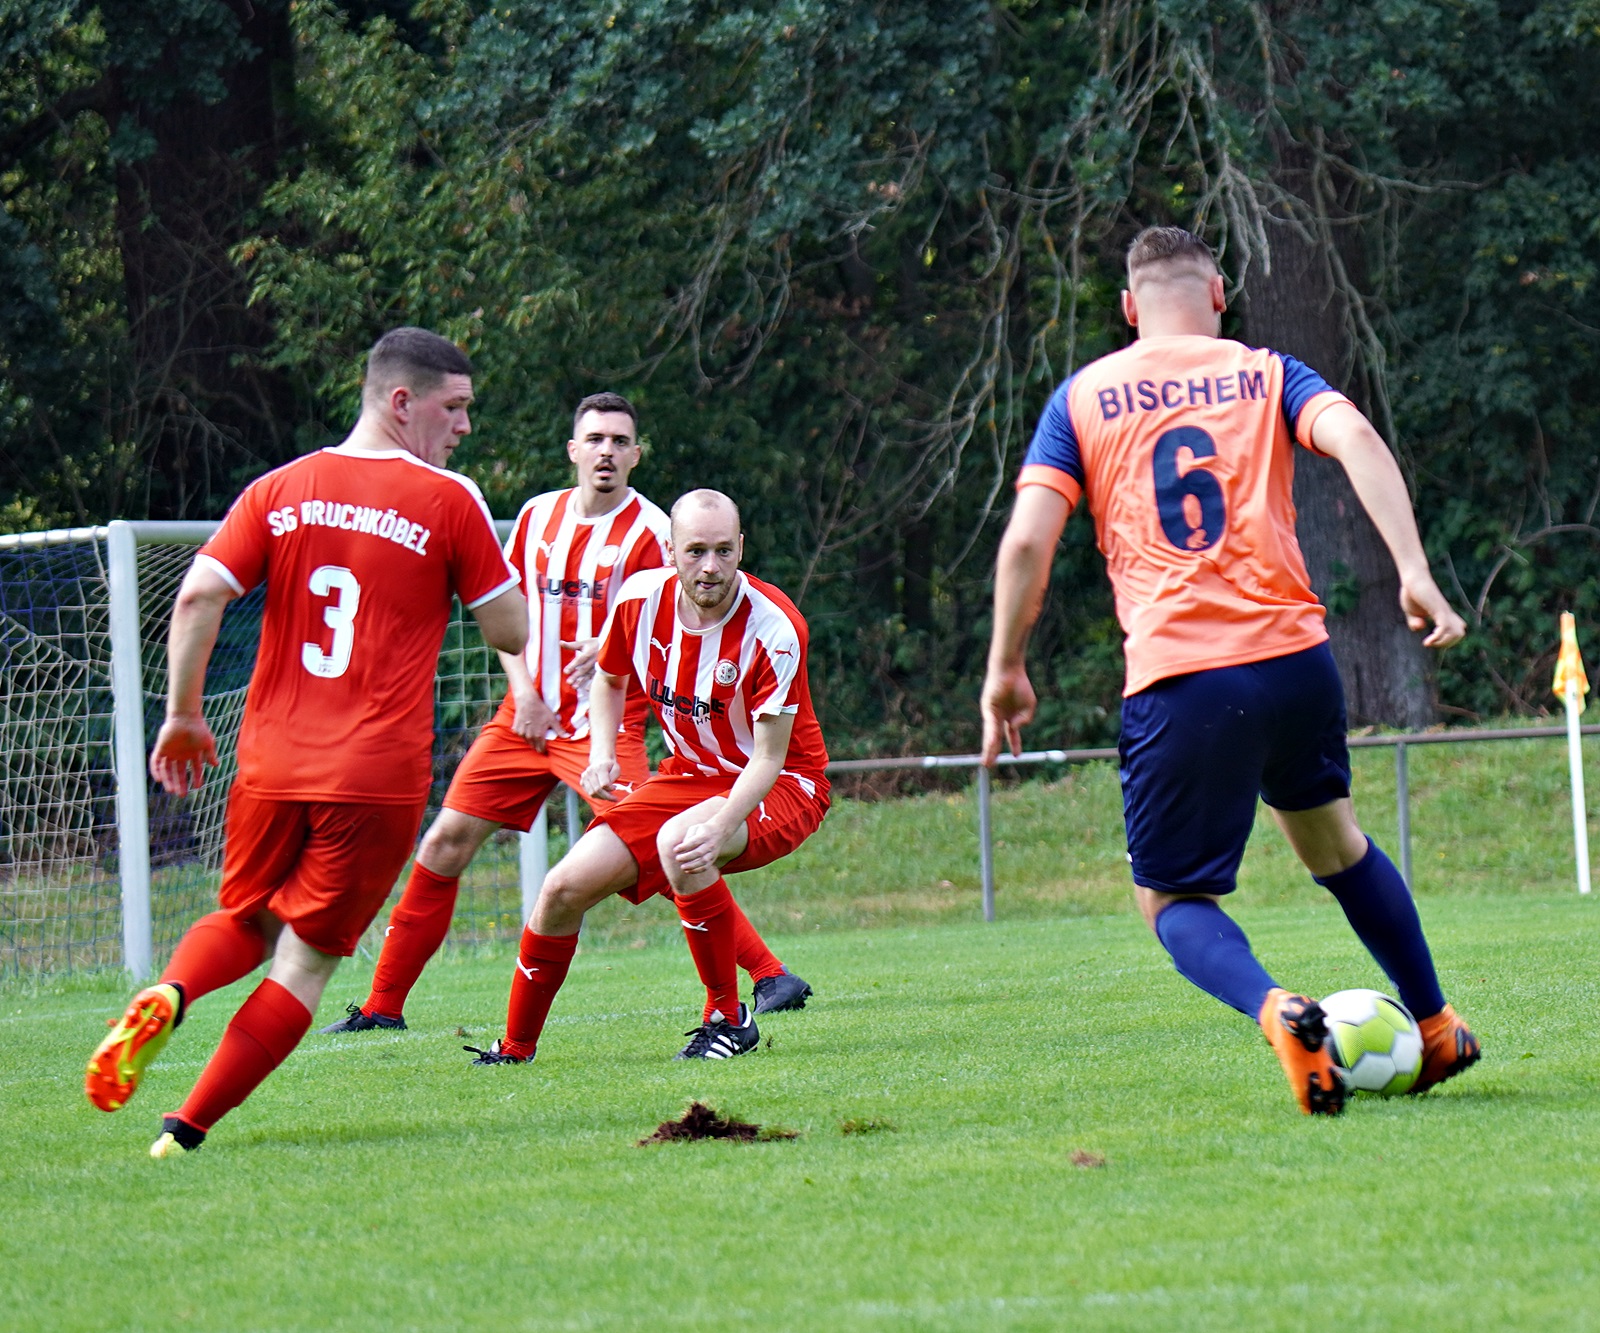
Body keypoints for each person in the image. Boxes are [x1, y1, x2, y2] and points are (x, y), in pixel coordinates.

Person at [980, 226, 1481, 1116]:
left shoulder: (1084, 395)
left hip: (1184, 679)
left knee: (1168, 895)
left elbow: (1026, 539)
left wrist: (1006, 666)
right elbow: (1357, 435)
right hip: (1296, 662)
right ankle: (1438, 1023)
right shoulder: (1269, 371)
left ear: (1129, 309)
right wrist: (1412, 569)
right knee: (1336, 844)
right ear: (1219, 294)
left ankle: (1276, 1008)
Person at [84, 327, 528, 1155]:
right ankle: (185, 1128)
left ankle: (173, 992)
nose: (464, 427)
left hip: (269, 760)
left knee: (244, 919)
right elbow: (509, 624)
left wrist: (183, 715)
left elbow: (194, 600)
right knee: (305, 964)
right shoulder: (448, 499)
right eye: (455, 407)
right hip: (374, 774)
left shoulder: (280, 489)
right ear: (402, 402)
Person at [318, 395, 811, 1035]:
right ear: (573, 449)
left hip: (606, 728)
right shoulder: (535, 515)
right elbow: (507, 609)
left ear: (636, 455)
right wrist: (522, 689)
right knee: (443, 843)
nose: (606, 451)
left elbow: (650, 633)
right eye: (595, 438)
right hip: (524, 718)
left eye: (620, 440)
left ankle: (764, 975)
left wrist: (604, 654)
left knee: (657, 851)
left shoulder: (657, 532)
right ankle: (383, 1007)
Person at [466, 488, 830, 1064]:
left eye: (721, 552)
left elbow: (768, 758)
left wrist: (721, 825)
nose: (709, 568)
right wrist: (602, 755)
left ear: (740, 547)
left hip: (785, 784)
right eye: (694, 552)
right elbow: (609, 680)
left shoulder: (776, 627)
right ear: (670, 550)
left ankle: (728, 1020)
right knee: (560, 890)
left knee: (682, 844)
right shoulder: (639, 599)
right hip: (686, 777)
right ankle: (514, 1050)